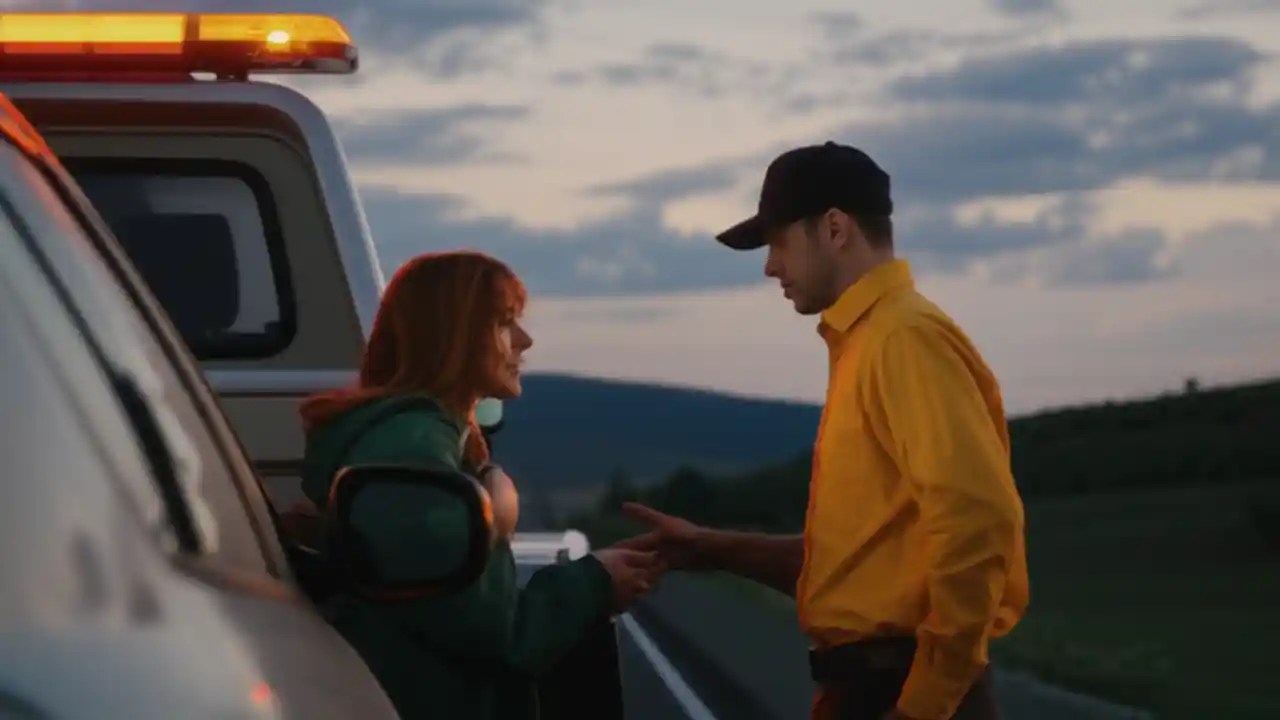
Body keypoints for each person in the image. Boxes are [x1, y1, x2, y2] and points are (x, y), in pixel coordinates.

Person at [622, 142, 1029, 720]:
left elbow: (978, 521)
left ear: (835, 228)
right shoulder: (870, 342)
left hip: (901, 691)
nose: (769, 266)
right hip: (869, 688)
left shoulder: (903, 339)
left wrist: (924, 705)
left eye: (779, 242)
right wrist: (711, 548)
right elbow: (864, 563)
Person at [297, 250, 660, 720]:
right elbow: (499, 636)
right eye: (505, 324)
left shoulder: (411, 439)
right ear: (454, 337)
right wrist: (594, 582)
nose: (524, 341)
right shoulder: (412, 451)